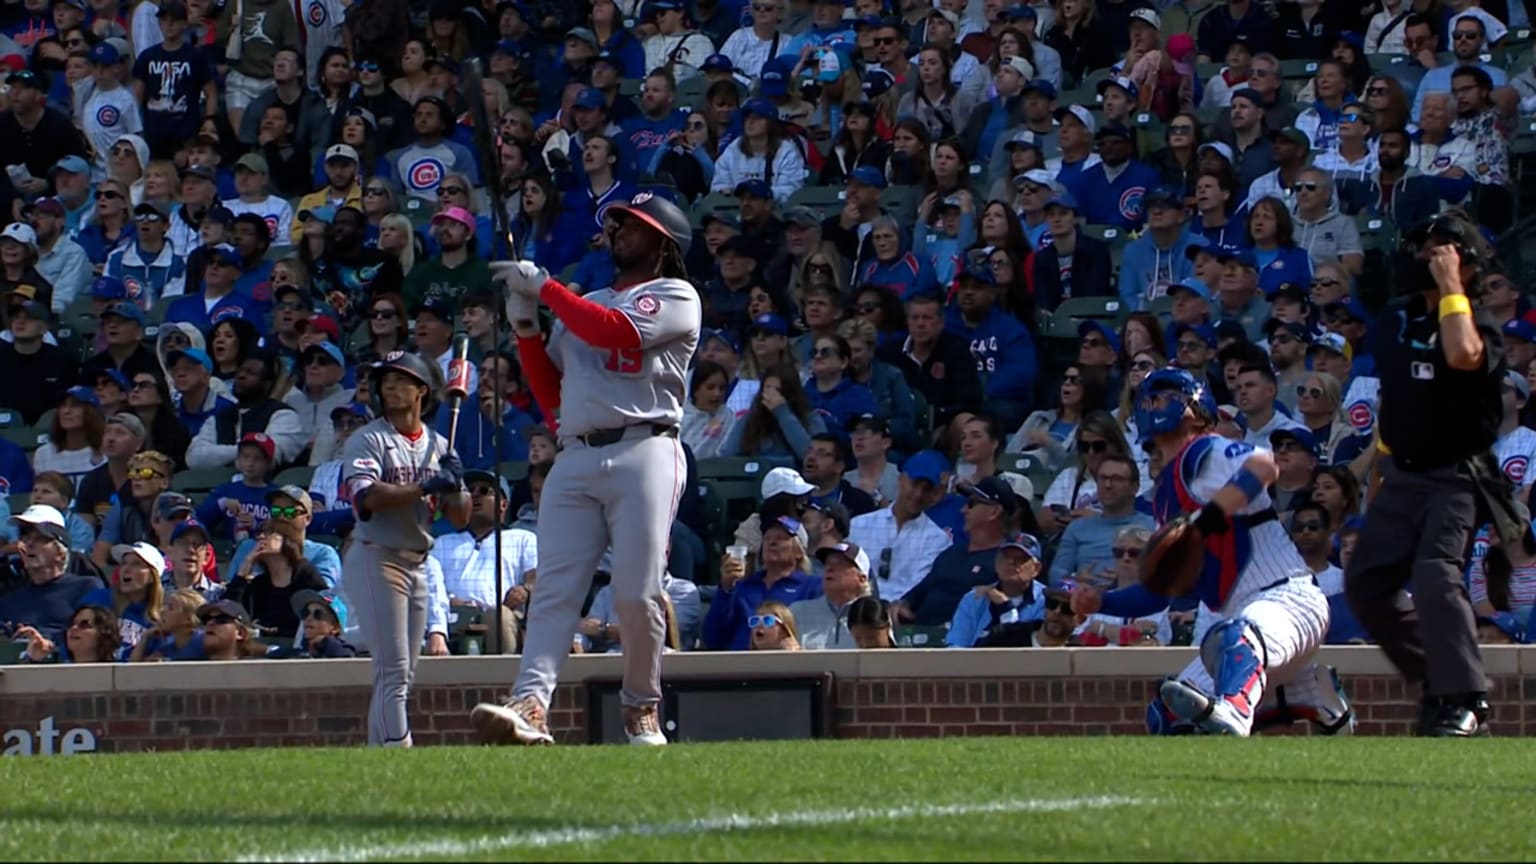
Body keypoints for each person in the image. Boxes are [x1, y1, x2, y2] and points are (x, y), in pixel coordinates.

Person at [472, 192, 701, 748]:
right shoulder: (585, 301)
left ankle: (641, 705)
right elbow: (552, 395)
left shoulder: (676, 294)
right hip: (575, 452)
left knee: (635, 593)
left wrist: (547, 291)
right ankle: (530, 702)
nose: (619, 229)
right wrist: (527, 328)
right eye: (616, 222)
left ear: (663, 241)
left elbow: (615, 332)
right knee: (553, 589)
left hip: (646, 447)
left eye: (633, 224)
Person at [1070, 368, 1354, 737]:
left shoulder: (1203, 448)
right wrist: (1101, 602)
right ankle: (1308, 694)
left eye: (1168, 395)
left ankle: (1235, 710)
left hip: (1287, 600)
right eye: (1152, 397)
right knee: (1168, 716)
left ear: (1195, 405)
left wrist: (1205, 520)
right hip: (1250, 631)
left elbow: (1264, 464)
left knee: (1231, 641)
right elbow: (1161, 590)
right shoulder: (1165, 497)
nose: (1157, 404)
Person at [1345, 215, 1518, 737]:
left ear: (1463, 261)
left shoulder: (1479, 322)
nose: (1426, 255)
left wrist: (1451, 287)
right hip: (1401, 473)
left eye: (1441, 248)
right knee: (1367, 582)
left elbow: (1463, 356)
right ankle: (1440, 682)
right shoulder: (1397, 317)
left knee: (1436, 576)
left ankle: (1467, 699)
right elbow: (1398, 396)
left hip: (1456, 476)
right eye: (1423, 246)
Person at [339, 351, 469, 747]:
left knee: (404, 673)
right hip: (376, 554)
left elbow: (461, 517)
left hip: (418, 561)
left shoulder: (438, 444)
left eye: (400, 380)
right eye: (385, 381)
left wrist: (455, 484)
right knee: (393, 670)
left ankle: (382, 755)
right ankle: (401, 752)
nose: (390, 387)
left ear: (421, 390)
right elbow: (367, 499)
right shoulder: (370, 436)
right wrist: (426, 487)